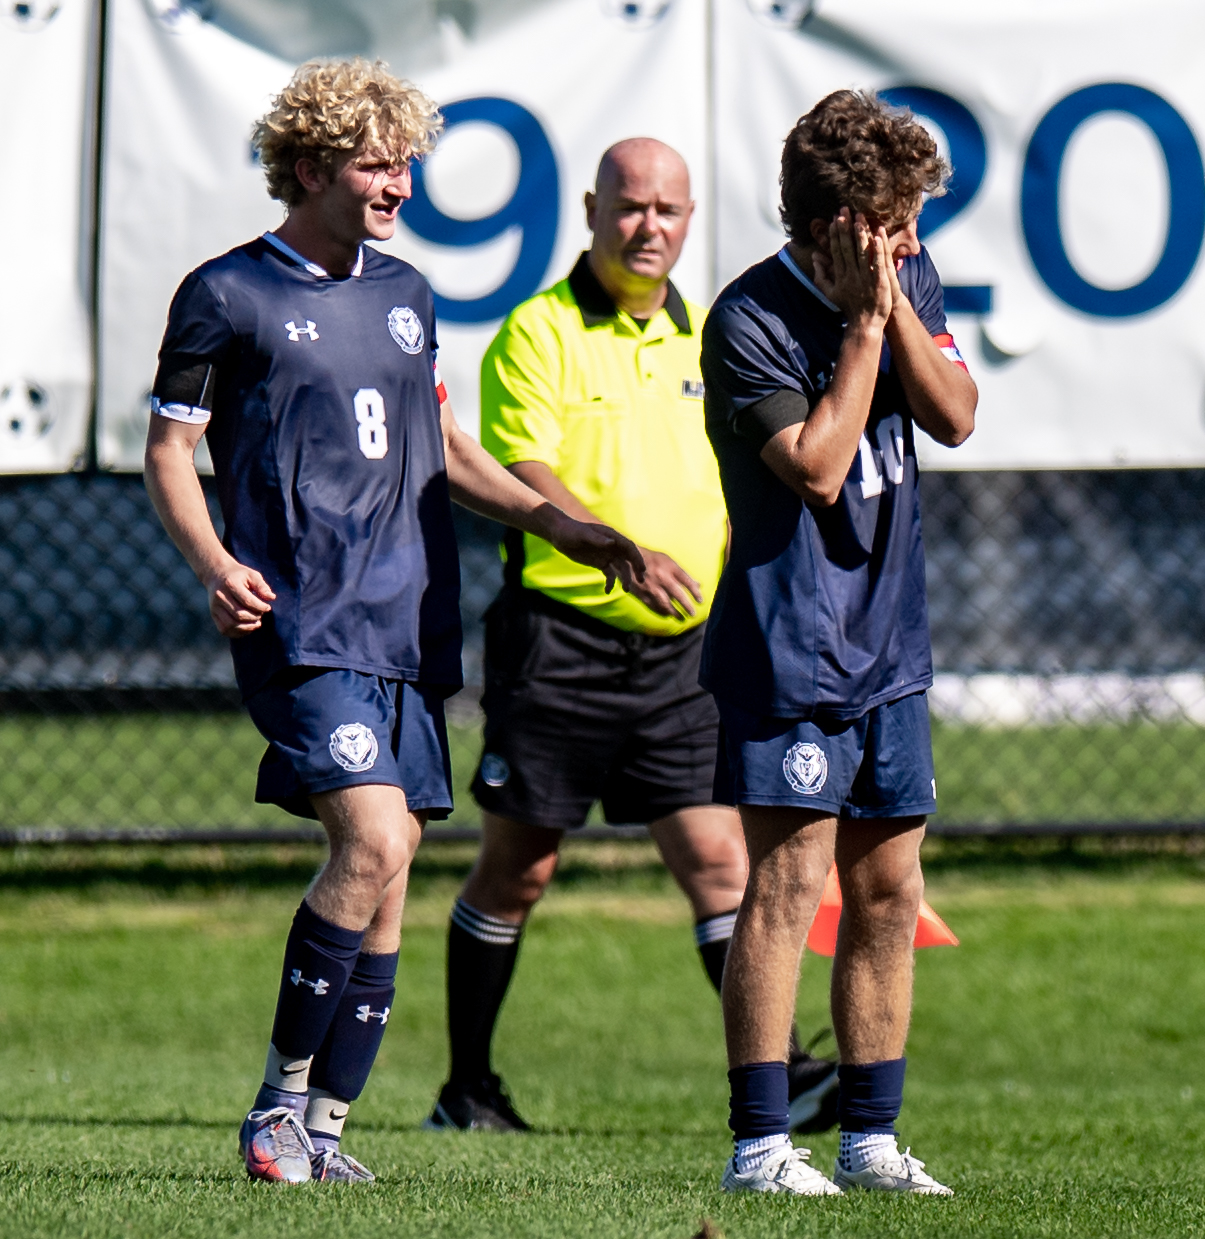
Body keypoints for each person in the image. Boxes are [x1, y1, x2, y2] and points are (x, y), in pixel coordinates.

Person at [142, 58, 644, 1185]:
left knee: (398, 862)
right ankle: (273, 1110)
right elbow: (170, 451)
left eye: (407, 161)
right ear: (310, 166)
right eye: (377, 163)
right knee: (369, 841)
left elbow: (444, 449)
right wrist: (216, 562)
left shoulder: (408, 293)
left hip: (407, 627)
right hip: (301, 620)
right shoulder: (226, 295)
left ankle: (325, 1129)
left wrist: (570, 527)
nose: (400, 183)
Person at [426, 137, 840, 1133]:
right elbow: (525, 471)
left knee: (717, 863)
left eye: (667, 210)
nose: (647, 227)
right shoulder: (538, 330)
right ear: (591, 210)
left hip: (684, 656)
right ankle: (466, 1090)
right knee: (518, 869)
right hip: (558, 643)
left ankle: (779, 1075)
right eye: (629, 207)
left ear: (690, 219)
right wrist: (615, 549)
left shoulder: (714, 337)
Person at [698, 89, 978, 1196]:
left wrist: (894, 303)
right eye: (891, 224)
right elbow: (815, 467)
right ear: (828, 228)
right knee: (788, 881)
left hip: (888, 645)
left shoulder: (908, 278)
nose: (910, 242)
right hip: (789, 646)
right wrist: (864, 329)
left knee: (889, 889)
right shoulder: (746, 319)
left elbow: (955, 414)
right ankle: (760, 1147)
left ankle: (869, 1140)